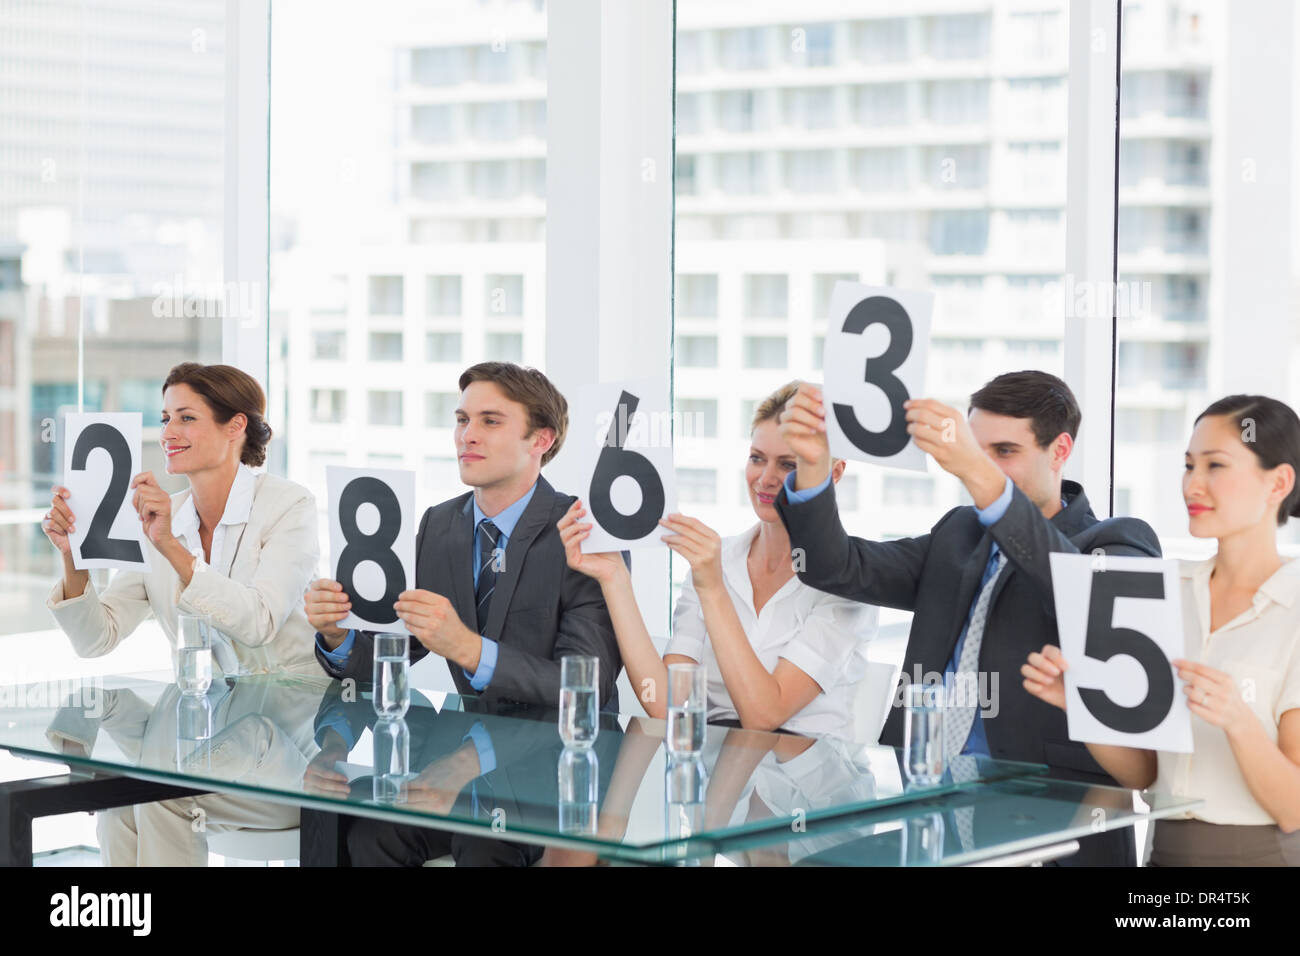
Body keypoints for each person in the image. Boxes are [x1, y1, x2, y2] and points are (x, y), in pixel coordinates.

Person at [775, 370, 1161, 867]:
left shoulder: (1115, 542)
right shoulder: (960, 532)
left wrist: (983, 479)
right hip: (929, 802)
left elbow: (1084, 600)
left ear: (1060, 450)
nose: (982, 470)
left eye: (1003, 452)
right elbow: (834, 566)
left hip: (1051, 822)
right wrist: (812, 467)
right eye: (976, 454)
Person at [305, 361, 621, 866]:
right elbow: (392, 652)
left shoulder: (584, 532)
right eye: (461, 420)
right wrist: (336, 634)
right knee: (367, 828)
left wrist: (470, 650)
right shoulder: (439, 524)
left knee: (482, 843)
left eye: (490, 421)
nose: (466, 436)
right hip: (465, 750)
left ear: (541, 439)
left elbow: (588, 687)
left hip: (560, 765)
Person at [42, 361, 321, 865]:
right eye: (165, 417)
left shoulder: (287, 506)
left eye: (186, 418)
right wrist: (71, 555)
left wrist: (169, 543)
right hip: (201, 739)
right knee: (119, 803)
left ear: (236, 426)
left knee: (160, 796)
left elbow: (258, 622)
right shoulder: (163, 520)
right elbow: (96, 639)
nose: (168, 432)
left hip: (285, 751)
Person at [1023, 394, 1300, 866]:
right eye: (1189, 465)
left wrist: (1238, 720)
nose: (1193, 484)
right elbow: (1144, 774)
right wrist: (1084, 701)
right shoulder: (1161, 590)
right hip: (1163, 851)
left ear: (1278, 482)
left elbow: (1293, 808)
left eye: (1216, 466)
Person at [557, 381, 877, 739]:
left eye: (788, 464)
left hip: (809, 781)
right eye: (757, 458)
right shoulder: (719, 560)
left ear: (833, 474)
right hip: (720, 773)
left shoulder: (852, 578)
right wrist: (614, 578)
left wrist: (713, 589)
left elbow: (763, 716)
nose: (766, 479)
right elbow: (666, 704)